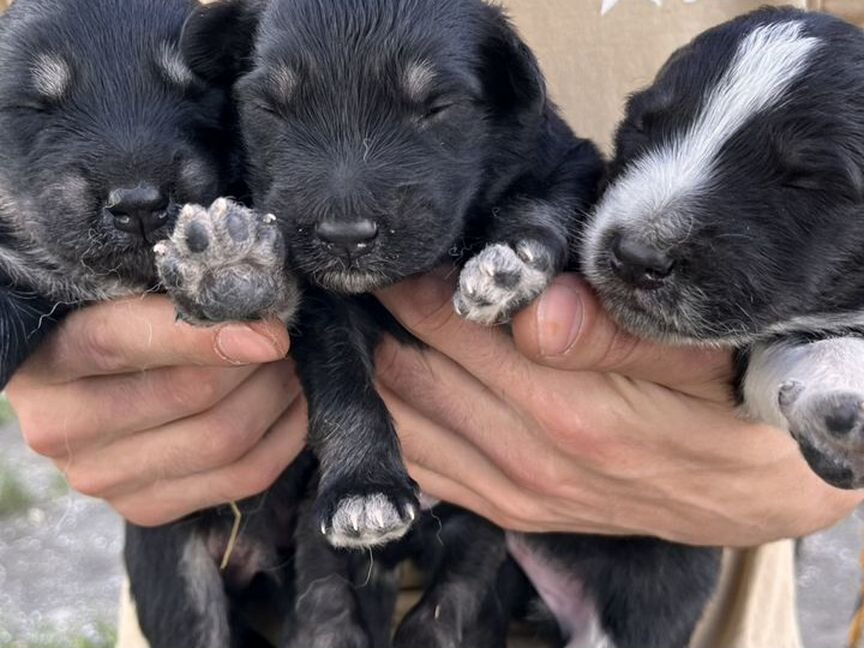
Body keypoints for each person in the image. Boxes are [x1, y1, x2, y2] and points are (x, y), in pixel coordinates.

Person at [5, 0, 862, 646]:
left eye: (433, 109)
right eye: (274, 106)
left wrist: (797, 477)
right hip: (223, 508)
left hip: (683, 525)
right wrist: (66, 345)